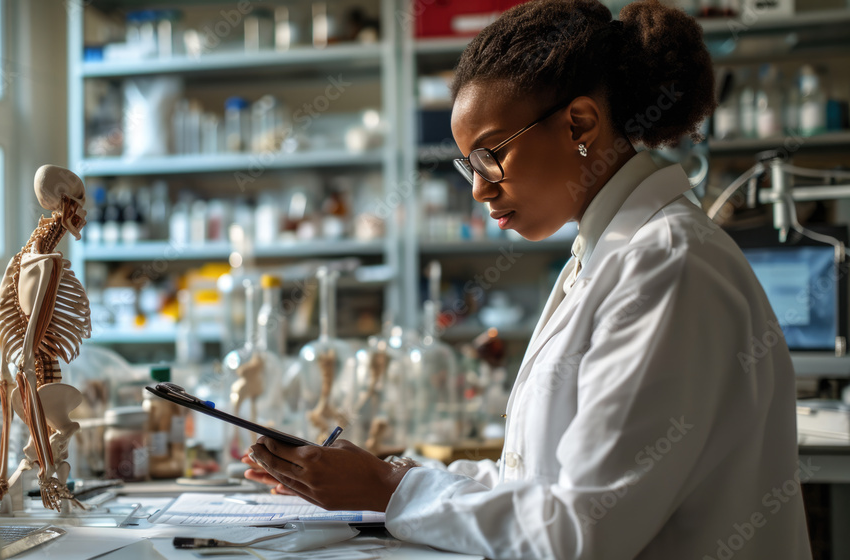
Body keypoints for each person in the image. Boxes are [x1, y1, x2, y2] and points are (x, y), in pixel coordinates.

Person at [244, 0, 813, 557]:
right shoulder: (606, 253)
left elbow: (580, 532)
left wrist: (390, 491)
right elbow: (536, 479)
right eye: (468, 163)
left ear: (579, 123)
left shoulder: (665, 266)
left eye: (491, 155)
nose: (478, 188)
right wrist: (385, 477)